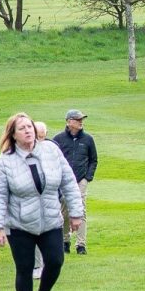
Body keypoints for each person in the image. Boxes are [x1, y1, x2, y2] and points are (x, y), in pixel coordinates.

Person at [0, 113, 85, 291]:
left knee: (55, 261)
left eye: (29, 126)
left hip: (50, 219)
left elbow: (69, 182)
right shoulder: (7, 160)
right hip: (20, 223)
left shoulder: (51, 150)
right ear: (13, 135)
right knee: (24, 267)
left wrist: (76, 212)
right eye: (22, 128)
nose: (28, 130)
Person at [52, 109, 97, 255]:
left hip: (80, 180)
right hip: (63, 181)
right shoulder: (58, 139)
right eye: (78, 120)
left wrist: (87, 178)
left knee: (81, 210)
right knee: (64, 212)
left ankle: (81, 245)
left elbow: (93, 160)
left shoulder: (88, 139)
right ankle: (65, 241)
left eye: (81, 119)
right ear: (69, 121)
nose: (81, 122)